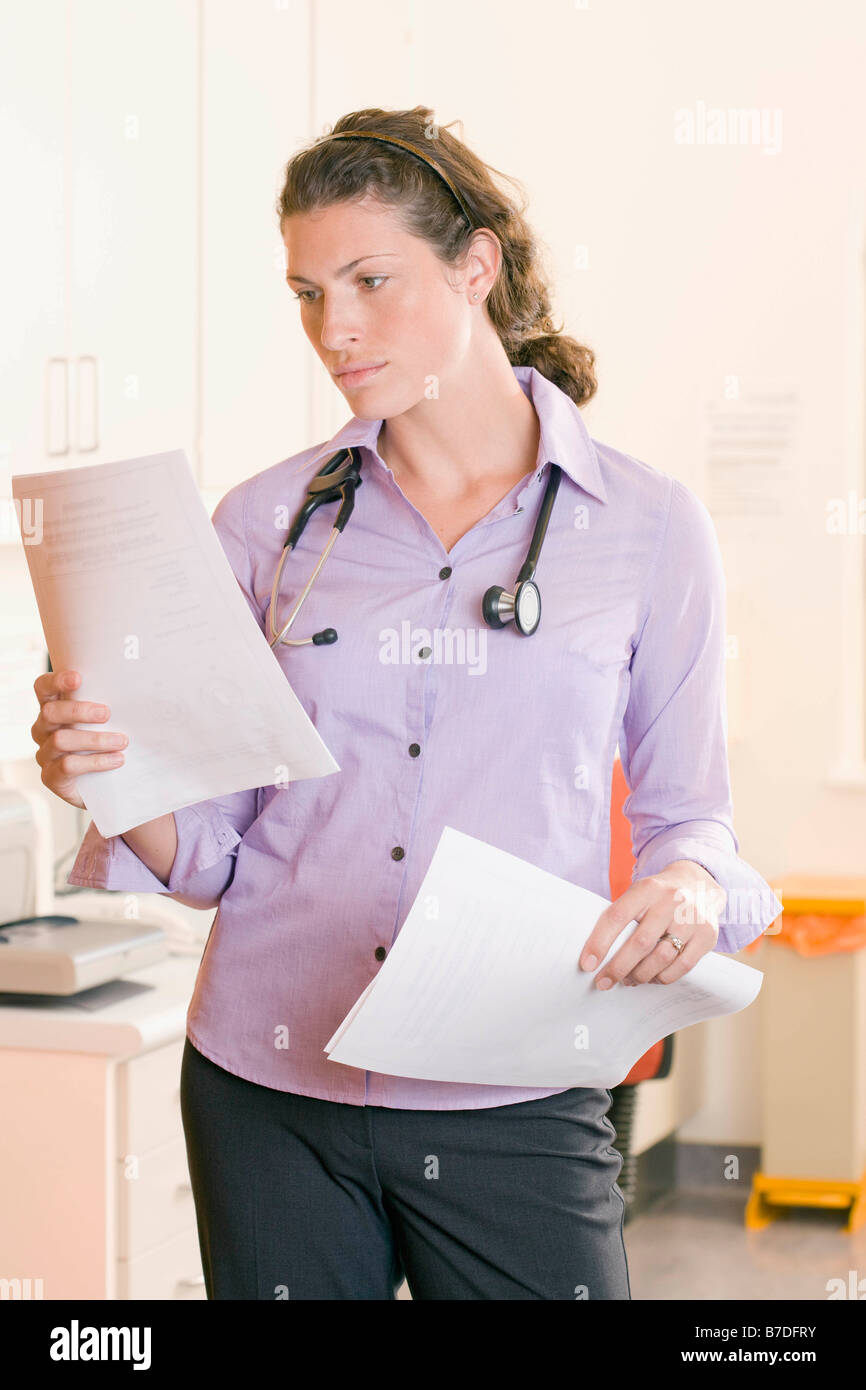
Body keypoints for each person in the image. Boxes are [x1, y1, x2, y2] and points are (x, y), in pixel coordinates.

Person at [32, 106, 781, 1301]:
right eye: (306, 291)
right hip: (267, 1085)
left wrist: (686, 885)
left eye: (370, 279)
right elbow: (213, 853)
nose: (335, 328)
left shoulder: (642, 528)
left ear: (474, 264)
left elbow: (694, 820)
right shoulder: (264, 524)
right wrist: (113, 776)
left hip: (513, 1089)